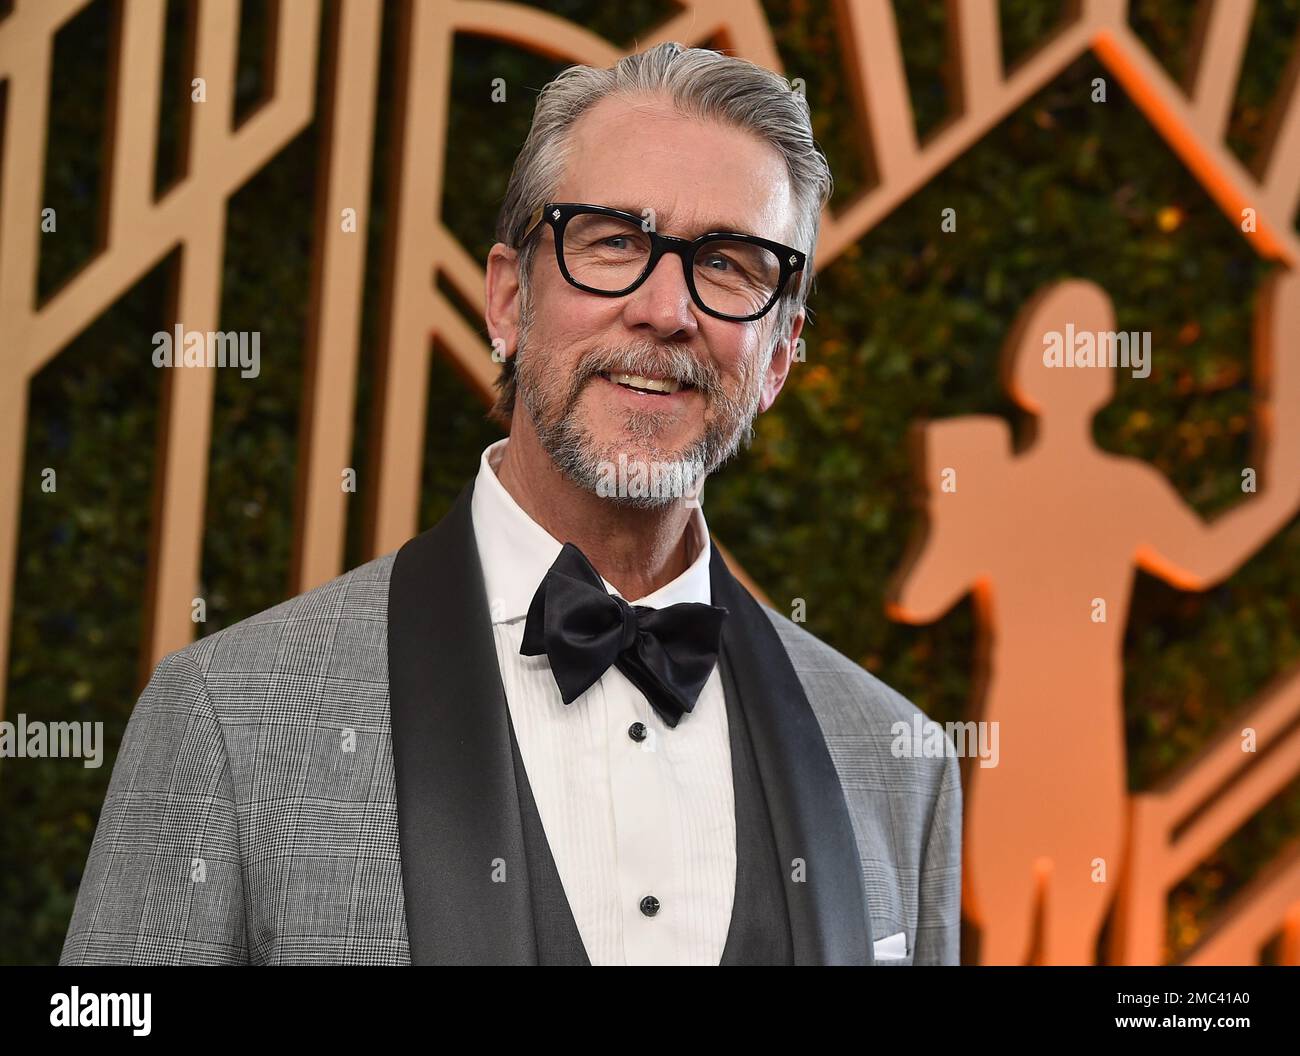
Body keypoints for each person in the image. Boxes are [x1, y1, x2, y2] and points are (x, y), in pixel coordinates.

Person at [61, 41, 960, 966]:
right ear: (507, 301)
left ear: (777, 357)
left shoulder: (899, 763)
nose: (664, 308)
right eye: (614, 241)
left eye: (729, 263)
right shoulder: (227, 716)